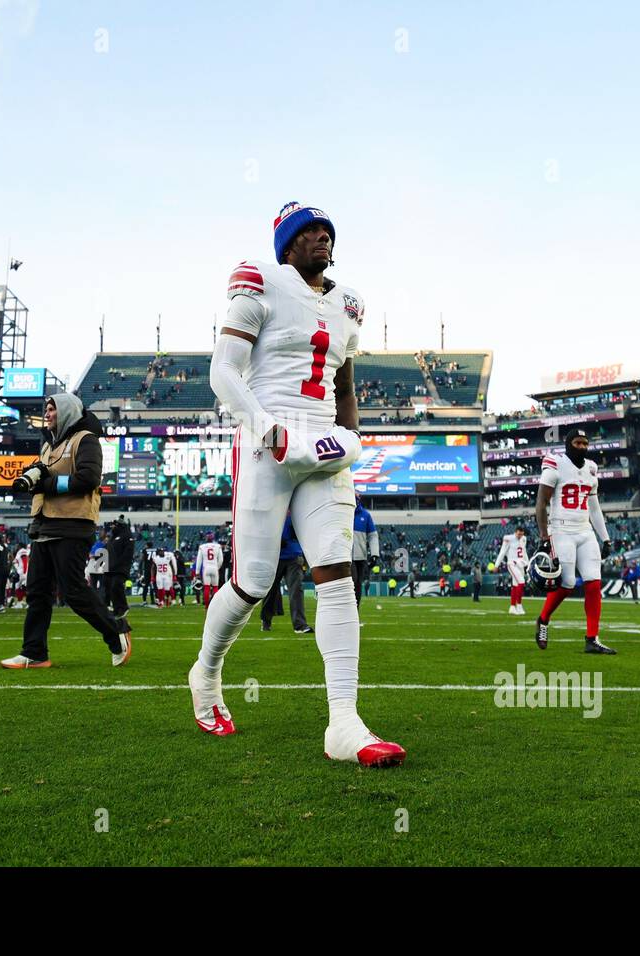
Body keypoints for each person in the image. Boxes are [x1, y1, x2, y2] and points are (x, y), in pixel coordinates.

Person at [186, 201, 404, 767]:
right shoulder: (261, 281)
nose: (321, 236)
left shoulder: (349, 304)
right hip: (269, 439)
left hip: (324, 447)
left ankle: (345, 724)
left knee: (336, 573)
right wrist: (267, 429)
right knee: (254, 581)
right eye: (308, 230)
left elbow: (345, 383)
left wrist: (349, 438)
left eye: (326, 229)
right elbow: (223, 371)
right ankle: (206, 673)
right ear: (287, 243)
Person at [0, 393, 131, 669]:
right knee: (36, 591)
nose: (47, 414)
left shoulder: (86, 439)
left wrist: (45, 484)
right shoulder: (49, 446)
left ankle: (116, 631)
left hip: (73, 524)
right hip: (44, 524)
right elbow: (45, 479)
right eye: (46, 409)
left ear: (67, 411)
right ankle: (34, 652)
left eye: (52, 409)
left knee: (72, 591)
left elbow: (88, 479)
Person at [533, 430, 616, 654]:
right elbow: (541, 503)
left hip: (585, 530)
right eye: (577, 442)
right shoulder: (555, 463)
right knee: (567, 584)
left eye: (585, 442)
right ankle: (543, 619)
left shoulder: (591, 467)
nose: (582, 446)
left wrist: (605, 538)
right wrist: (544, 537)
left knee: (594, 582)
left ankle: (592, 638)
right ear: (568, 444)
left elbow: (594, 507)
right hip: (561, 529)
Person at [259, 515, 311, 633]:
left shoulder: (296, 514)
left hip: (294, 555)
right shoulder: (272, 513)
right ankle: (266, 620)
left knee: (296, 589)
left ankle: (300, 625)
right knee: (271, 591)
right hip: (274, 556)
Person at [350, 496, 379, 607]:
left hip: (361, 556)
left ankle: (354, 614)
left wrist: (374, 554)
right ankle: (349, 614)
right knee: (352, 582)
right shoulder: (343, 514)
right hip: (347, 557)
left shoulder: (365, 515)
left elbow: (373, 535)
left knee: (357, 585)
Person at [494, 527, 529, 615]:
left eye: (521, 534)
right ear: (515, 532)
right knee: (521, 582)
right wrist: (496, 565)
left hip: (521, 564)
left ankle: (512, 607)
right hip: (512, 563)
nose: (520, 536)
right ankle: (519, 605)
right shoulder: (508, 539)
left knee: (515, 585)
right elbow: (502, 552)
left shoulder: (524, 539)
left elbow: (524, 552)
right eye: (518, 534)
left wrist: (527, 563)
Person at [104, 518, 133, 616]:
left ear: (120, 526)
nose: (112, 527)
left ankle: (123, 607)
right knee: (110, 588)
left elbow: (128, 553)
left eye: (114, 525)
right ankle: (116, 609)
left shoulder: (127, 535)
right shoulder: (113, 537)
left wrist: (120, 563)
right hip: (110, 567)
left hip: (121, 567)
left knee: (116, 586)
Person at [194, 532, 223, 607]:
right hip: (214, 567)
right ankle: (216, 606)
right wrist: (217, 567)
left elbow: (199, 560)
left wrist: (197, 572)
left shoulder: (202, 547)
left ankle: (207, 606)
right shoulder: (218, 546)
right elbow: (221, 560)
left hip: (206, 568)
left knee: (206, 587)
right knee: (215, 588)